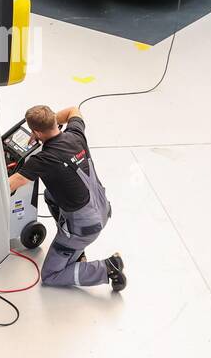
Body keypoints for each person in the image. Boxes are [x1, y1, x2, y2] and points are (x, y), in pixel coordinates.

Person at [8, 105, 125, 291]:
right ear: (55, 122)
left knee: (50, 275)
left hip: (84, 228)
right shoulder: (75, 135)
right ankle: (75, 250)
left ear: (36, 132)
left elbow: (8, 185)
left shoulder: (42, 160)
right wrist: (50, 121)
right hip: (102, 208)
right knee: (50, 195)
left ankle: (108, 267)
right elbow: (73, 110)